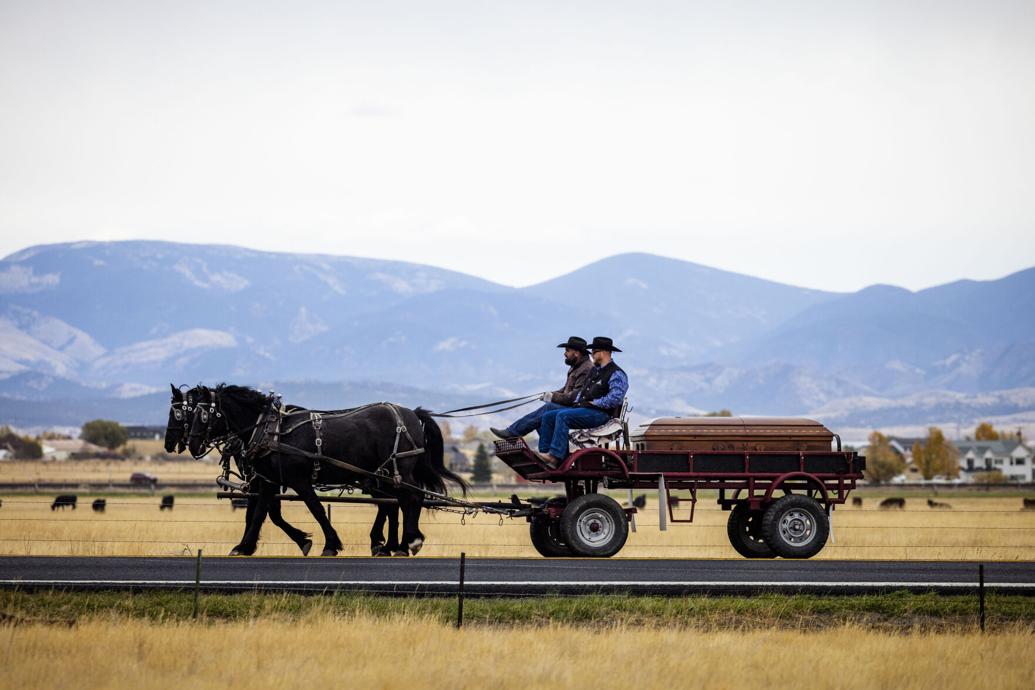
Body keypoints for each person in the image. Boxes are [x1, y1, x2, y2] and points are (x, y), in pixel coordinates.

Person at [535, 336, 628, 467]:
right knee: (548, 416)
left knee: (563, 416)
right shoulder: (595, 371)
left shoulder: (617, 373)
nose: (592, 355)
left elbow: (615, 398)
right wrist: (577, 404)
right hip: (585, 410)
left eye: (594, 352)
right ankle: (545, 454)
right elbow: (582, 392)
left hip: (601, 414)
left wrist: (594, 403)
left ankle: (555, 457)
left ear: (603, 352)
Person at [490, 336, 594, 439]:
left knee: (548, 408)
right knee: (540, 420)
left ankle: (513, 433)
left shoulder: (586, 369)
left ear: (576, 352)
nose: (565, 353)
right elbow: (565, 389)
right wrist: (550, 394)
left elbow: (574, 397)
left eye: (567, 351)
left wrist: (552, 397)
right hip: (571, 406)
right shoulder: (576, 367)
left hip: (577, 408)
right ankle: (547, 449)